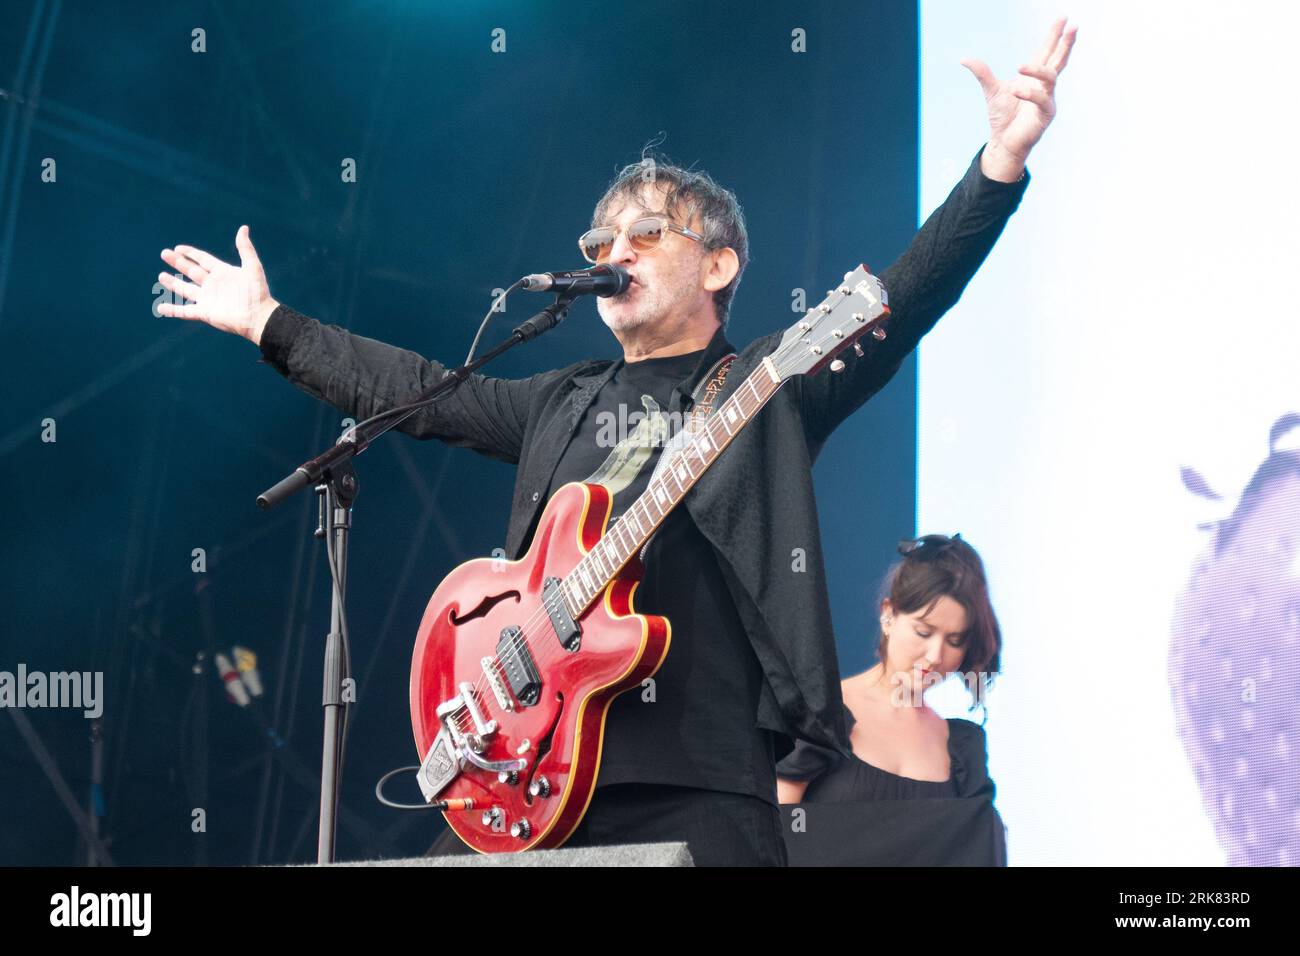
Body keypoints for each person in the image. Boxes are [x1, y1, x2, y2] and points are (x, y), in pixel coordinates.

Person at [154, 19, 1075, 866]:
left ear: (719, 265)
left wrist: (995, 166)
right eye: (603, 236)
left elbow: (904, 300)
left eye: (646, 232)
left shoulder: (764, 391)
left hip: (694, 780)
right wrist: (271, 323)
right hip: (528, 766)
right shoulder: (558, 400)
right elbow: (413, 392)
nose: (614, 249)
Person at [776, 534, 1008, 866]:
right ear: (889, 615)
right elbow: (773, 834)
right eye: (924, 632)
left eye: (954, 641)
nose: (935, 655)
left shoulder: (961, 749)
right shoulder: (823, 712)